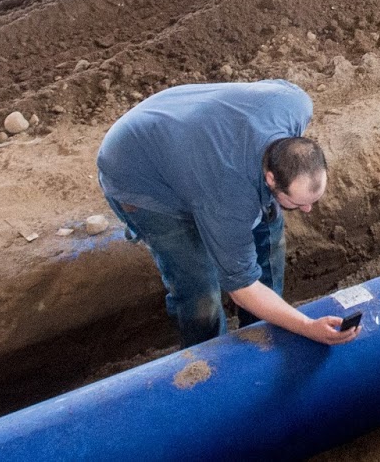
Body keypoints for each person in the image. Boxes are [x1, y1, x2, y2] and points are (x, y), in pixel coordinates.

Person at [97, 79, 358, 349]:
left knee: (268, 236)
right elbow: (242, 289)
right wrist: (306, 326)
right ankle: (206, 362)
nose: (307, 209)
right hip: (138, 172)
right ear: (270, 179)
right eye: (299, 202)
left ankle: (263, 336)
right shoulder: (227, 197)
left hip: (184, 129)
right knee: (200, 289)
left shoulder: (295, 103)